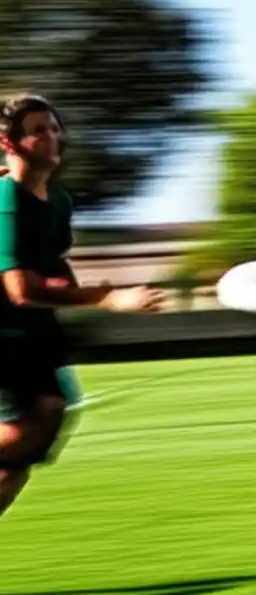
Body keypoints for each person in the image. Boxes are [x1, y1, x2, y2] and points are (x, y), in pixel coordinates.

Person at [0, 93, 165, 516]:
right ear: (10, 143)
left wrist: (76, 286)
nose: (54, 137)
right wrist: (106, 298)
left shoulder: (58, 202)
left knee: (43, 430)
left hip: (36, 331)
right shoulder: (5, 199)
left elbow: (52, 267)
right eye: (39, 130)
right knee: (22, 433)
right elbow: (20, 288)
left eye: (55, 128)